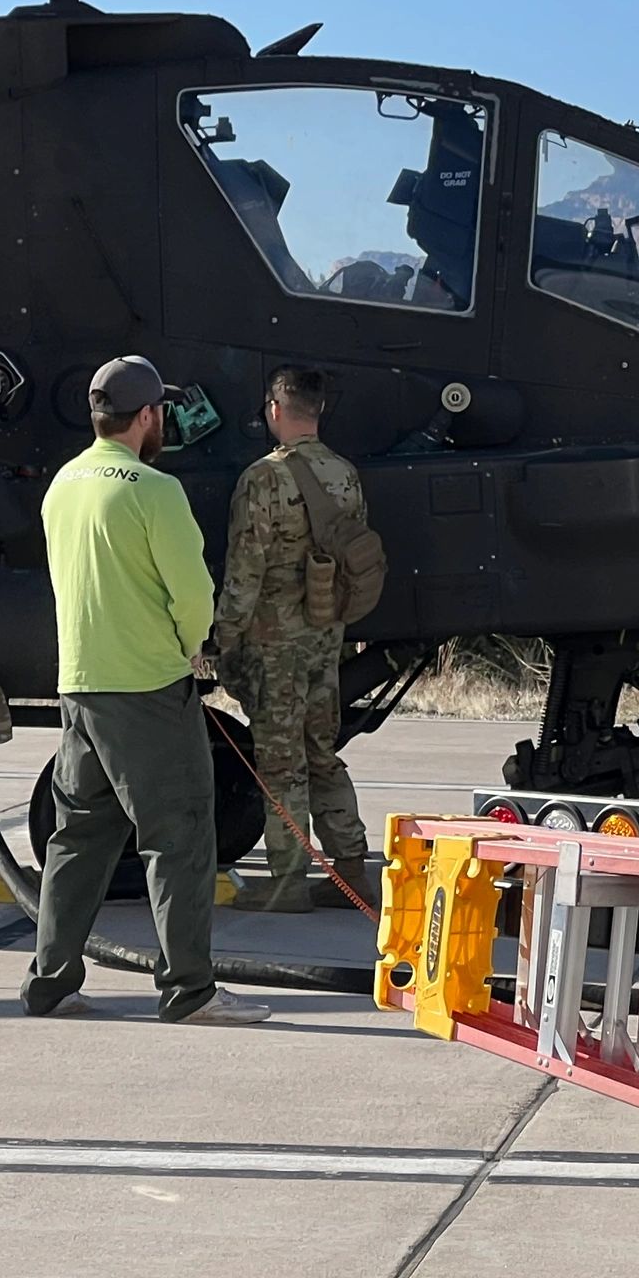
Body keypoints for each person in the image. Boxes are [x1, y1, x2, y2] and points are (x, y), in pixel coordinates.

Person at [25, 355, 269, 1025]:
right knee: (182, 835)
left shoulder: (64, 485)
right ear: (148, 416)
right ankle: (190, 990)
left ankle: (50, 983)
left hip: (80, 685)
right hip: (147, 688)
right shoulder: (152, 490)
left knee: (77, 838)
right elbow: (193, 596)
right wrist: (191, 645)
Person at [215, 366, 377, 912]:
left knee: (280, 761)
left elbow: (245, 570)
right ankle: (351, 867)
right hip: (325, 636)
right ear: (319, 410)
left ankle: (286, 881)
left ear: (274, 410)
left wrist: (223, 639)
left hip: (274, 642)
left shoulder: (263, 478)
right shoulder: (346, 474)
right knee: (321, 750)